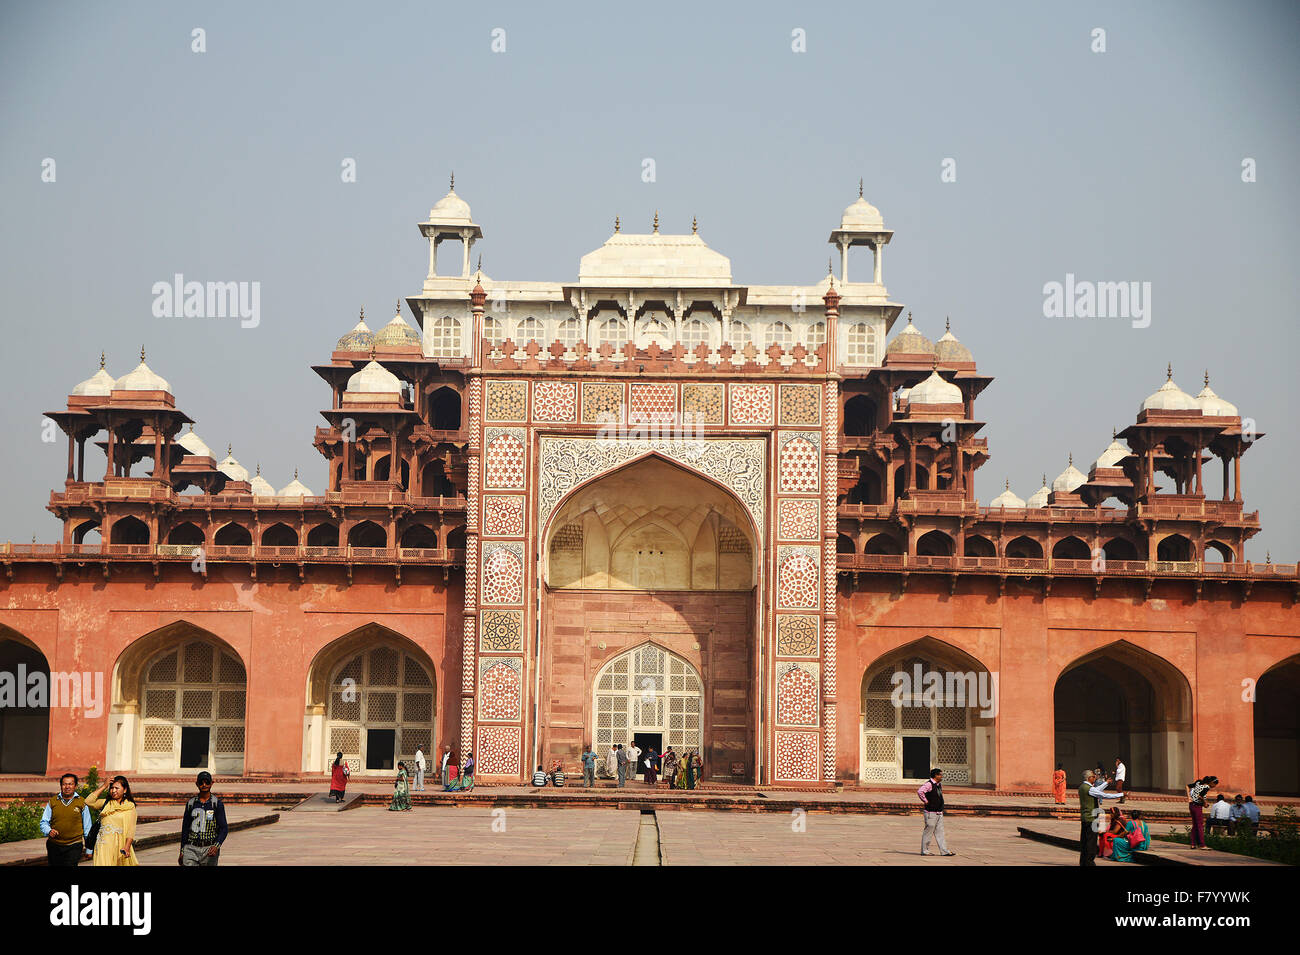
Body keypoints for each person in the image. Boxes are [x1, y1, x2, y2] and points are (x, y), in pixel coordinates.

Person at [85, 775, 138, 867]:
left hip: (119, 845)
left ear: (125, 790)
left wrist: (127, 847)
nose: (113, 791)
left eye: (117, 788)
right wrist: (104, 786)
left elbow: (131, 829)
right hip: (103, 845)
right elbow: (88, 801)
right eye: (111, 788)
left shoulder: (130, 807)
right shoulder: (106, 803)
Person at [40, 773, 92, 867]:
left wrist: (89, 849)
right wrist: (49, 830)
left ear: (75, 786)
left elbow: (87, 828)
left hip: (74, 845)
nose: (67, 787)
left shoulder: (82, 803)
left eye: (70, 784)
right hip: (54, 845)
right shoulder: (53, 801)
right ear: (61, 786)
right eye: (64, 784)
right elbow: (44, 822)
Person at [178, 771, 228, 866]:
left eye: (207, 782)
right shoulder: (191, 804)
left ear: (211, 783)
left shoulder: (216, 804)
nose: (204, 785)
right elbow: (185, 828)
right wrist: (182, 850)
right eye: (201, 782)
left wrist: (216, 846)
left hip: (209, 849)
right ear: (197, 784)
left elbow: (224, 828)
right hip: (191, 847)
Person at [1079, 769, 1124, 866]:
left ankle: (1083, 862)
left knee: (1085, 842)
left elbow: (1097, 791)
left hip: (1085, 818)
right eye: (1093, 777)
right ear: (1089, 778)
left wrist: (1106, 783)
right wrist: (1121, 794)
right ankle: (1089, 863)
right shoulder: (1089, 788)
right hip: (1092, 819)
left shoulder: (1083, 787)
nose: (1094, 778)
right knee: (1091, 842)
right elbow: (1104, 795)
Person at [917, 768, 955, 856]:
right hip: (931, 812)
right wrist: (925, 801)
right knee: (928, 832)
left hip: (938, 812)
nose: (942, 776)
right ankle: (925, 851)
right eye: (940, 775)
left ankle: (944, 851)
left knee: (940, 832)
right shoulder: (929, 784)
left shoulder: (938, 784)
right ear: (936, 776)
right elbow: (920, 791)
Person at [1187, 775, 1217, 850]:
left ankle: (1193, 844)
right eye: (1215, 784)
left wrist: (1189, 797)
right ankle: (1202, 844)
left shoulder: (1198, 782)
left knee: (1195, 825)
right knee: (1200, 825)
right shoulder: (1206, 787)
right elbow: (1200, 796)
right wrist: (1205, 803)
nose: (1214, 786)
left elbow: (1187, 786)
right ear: (1211, 783)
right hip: (1197, 806)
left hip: (1191, 805)